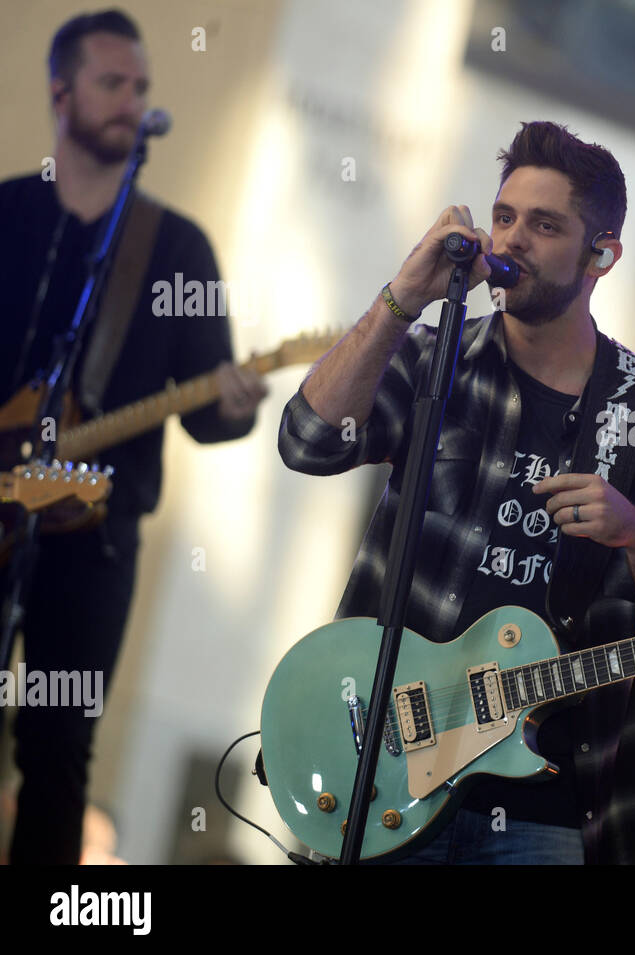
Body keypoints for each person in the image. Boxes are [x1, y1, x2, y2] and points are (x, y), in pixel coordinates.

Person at [278, 121, 635, 864]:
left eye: (545, 225)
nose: (512, 239)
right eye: (504, 217)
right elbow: (307, 440)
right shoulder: (437, 358)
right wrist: (402, 298)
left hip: (550, 809)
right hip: (387, 778)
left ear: (602, 254)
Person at [0, 9, 268, 864]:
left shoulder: (179, 250)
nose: (134, 101)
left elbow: (208, 418)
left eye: (143, 86)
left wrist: (238, 400)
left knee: (56, 756)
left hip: (93, 547)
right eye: (113, 83)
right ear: (61, 91)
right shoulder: (8, 214)